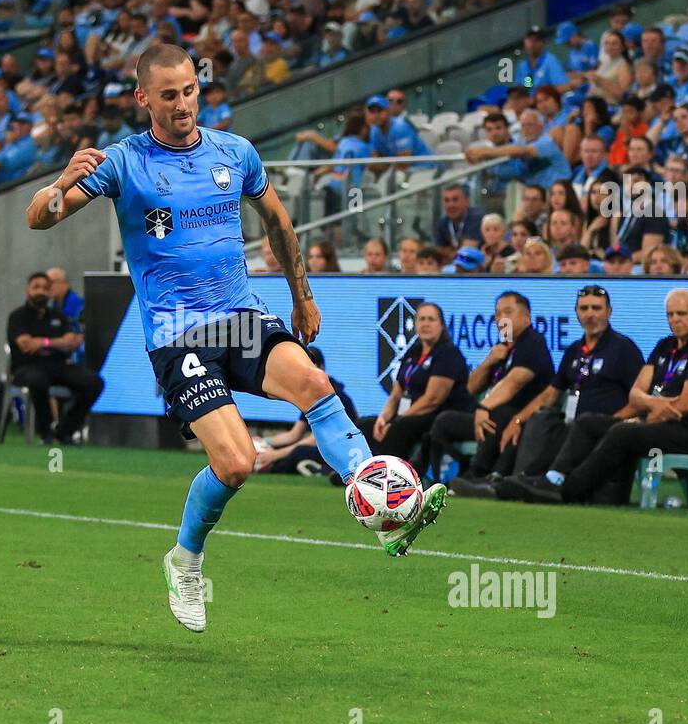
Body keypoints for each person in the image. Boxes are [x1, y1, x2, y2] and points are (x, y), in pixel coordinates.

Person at [23, 43, 448, 633]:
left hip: (241, 315)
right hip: (178, 335)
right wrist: (58, 183)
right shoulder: (122, 163)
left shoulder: (234, 151)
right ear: (143, 98)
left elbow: (277, 222)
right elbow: (40, 219)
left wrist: (302, 294)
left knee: (315, 382)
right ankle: (185, 560)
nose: (182, 105)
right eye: (168, 95)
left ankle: (376, 495)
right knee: (237, 462)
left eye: (190, 91)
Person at [502, 288, 688, 506]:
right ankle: (552, 477)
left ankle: (569, 490)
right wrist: (655, 404)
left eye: (681, 313)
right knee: (588, 422)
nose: (675, 319)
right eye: (670, 314)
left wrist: (649, 408)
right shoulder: (665, 346)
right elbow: (635, 395)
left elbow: (687, 404)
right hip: (656, 422)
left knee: (622, 432)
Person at [494, 285, 644, 499]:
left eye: (596, 308)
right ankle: (517, 478)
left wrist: (612, 421)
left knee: (583, 425)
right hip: (573, 426)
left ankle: (549, 481)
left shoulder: (623, 349)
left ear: (609, 312)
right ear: (576, 313)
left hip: (607, 426)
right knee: (542, 420)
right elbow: (550, 395)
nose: (590, 314)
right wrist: (517, 420)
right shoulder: (574, 350)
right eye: (584, 308)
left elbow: (640, 398)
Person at [432, 290, 555, 494]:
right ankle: (438, 479)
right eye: (497, 314)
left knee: (495, 414)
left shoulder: (533, 342)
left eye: (508, 312)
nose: (501, 319)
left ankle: (479, 475)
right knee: (444, 420)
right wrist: (489, 362)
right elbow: (469, 388)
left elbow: (514, 382)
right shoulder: (502, 347)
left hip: (522, 415)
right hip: (492, 416)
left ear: (526, 317)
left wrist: (483, 407)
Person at [358, 302, 475, 462]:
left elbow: (432, 400)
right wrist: (384, 418)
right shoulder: (413, 352)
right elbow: (396, 394)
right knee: (365, 425)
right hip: (409, 414)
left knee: (399, 428)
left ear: (441, 325)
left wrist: (398, 419)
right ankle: (356, 471)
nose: (426, 323)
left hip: (436, 415)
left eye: (431, 319)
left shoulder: (448, 354)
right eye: (421, 319)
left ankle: (387, 476)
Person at [0, 272, 105, 443]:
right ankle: (45, 431)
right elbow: (26, 345)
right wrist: (58, 342)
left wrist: (42, 343)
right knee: (38, 381)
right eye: (36, 287)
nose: (41, 291)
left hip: (58, 365)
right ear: (28, 290)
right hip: (27, 367)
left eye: (45, 288)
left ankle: (64, 430)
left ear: (50, 292)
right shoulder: (17, 316)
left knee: (94, 383)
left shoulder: (58, 317)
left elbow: (73, 342)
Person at [253, 346, 357, 477]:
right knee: (290, 451)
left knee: (298, 452)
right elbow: (294, 434)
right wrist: (265, 442)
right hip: (324, 447)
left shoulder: (333, 396)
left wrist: (275, 455)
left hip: (342, 449)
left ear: (321, 367)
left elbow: (315, 440)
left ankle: (320, 469)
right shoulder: (310, 395)